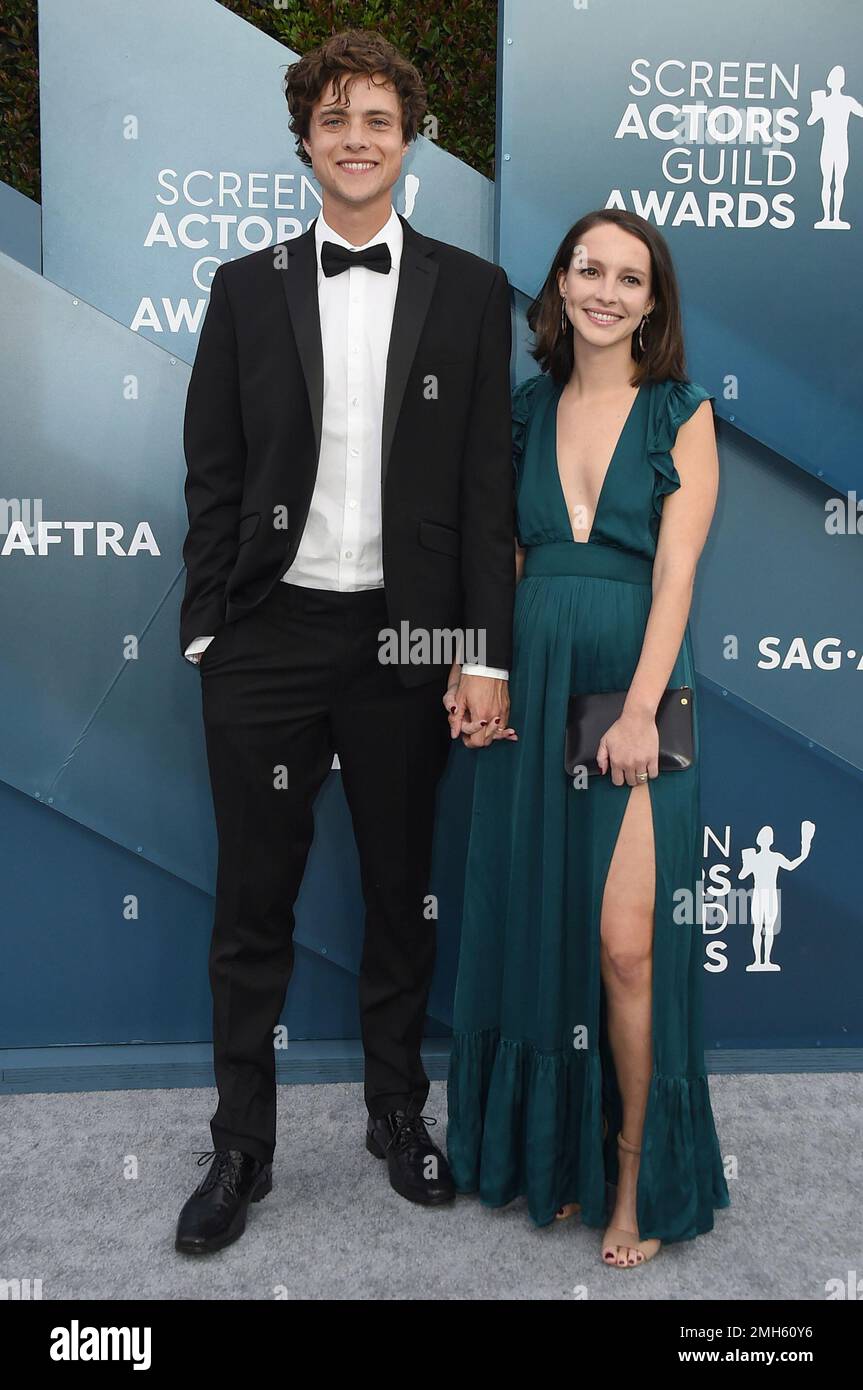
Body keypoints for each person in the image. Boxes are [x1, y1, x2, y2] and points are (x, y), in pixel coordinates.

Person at [175, 29, 515, 1255]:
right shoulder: (243, 286)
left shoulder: (472, 292)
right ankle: (240, 1148)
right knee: (250, 903)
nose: (357, 137)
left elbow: (486, 491)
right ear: (305, 140)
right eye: (334, 119)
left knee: (396, 892)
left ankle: (396, 1115)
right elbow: (210, 473)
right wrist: (207, 624)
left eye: (377, 116)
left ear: (408, 135)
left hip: (409, 639)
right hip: (268, 634)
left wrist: (481, 650)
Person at [445, 209, 731, 1267]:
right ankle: (553, 1155)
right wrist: (479, 668)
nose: (605, 290)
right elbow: (503, 561)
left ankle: (629, 1168)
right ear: (559, 284)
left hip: (633, 681)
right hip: (536, 671)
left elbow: (676, 571)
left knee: (623, 947)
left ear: (651, 302)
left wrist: (641, 708)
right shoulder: (524, 409)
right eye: (587, 269)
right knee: (536, 928)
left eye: (628, 277)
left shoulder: (679, 413)